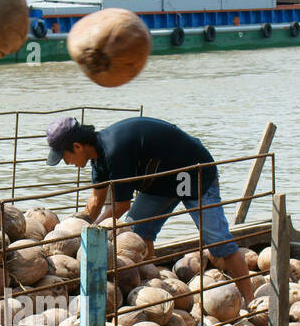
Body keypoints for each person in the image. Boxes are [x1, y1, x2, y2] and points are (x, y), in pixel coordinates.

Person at [44, 116, 255, 305]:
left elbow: (121, 206)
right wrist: (76, 229)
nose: (66, 162)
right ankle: (151, 287)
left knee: (217, 240)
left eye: (64, 156)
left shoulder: (114, 150)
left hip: (192, 170)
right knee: (137, 235)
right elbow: (96, 201)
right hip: (161, 181)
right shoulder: (98, 159)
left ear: (78, 146)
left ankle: (251, 300)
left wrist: (92, 233)